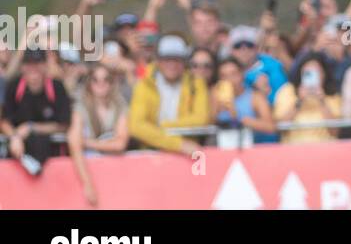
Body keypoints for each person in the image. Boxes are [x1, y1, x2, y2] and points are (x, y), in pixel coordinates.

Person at [127, 34, 210, 154]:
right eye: (167, 59)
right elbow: (136, 126)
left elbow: (201, 118)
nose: (172, 64)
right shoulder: (144, 84)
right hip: (152, 152)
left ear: (184, 62)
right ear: (158, 61)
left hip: (188, 153)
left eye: (176, 59)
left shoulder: (196, 83)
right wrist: (177, 144)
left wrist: (162, 127)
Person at [1, 49, 71, 176]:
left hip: (51, 154)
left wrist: (31, 127)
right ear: (22, 67)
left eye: (37, 63)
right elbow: (4, 121)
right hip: (18, 152)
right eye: (28, 63)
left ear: (45, 65)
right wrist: (14, 137)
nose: (33, 68)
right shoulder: (14, 86)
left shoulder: (57, 87)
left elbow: (63, 124)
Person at [68, 63, 130, 205]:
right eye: (95, 79)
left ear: (111, 82)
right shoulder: (80, 107)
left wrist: (87, 143)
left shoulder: (120, 105)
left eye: (105, 79)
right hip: (89, 171)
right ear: (90, 83)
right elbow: (74, 146)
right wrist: (88, 184)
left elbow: (120, 143)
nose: (100, 84)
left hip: (116, 174)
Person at [274, 53, 343, 144]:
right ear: (301, 73)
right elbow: (280, 128)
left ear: (324, 74)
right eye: (308, 73)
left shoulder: (332, 95)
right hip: (293, 150)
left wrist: (322, 102)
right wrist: (299, 102)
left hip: (324, 150)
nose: (312, 76)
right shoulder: (287, 91)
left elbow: (335, 132)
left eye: (316, 72)